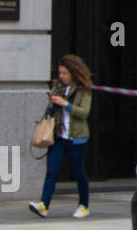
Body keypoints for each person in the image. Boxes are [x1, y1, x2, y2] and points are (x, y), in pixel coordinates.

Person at [28, 54, 92, 218]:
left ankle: (83, 205)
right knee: (51, 170)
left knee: (78, 172)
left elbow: (84, 113)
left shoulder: (83, 90)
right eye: (60, 72)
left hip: (76, 137)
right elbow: (50, 112)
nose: (61, 76)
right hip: (58, 136)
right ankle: (43, 205)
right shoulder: (58, 87)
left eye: (64, 73)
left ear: (73, 73)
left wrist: (65, 104)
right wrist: (51, 105)